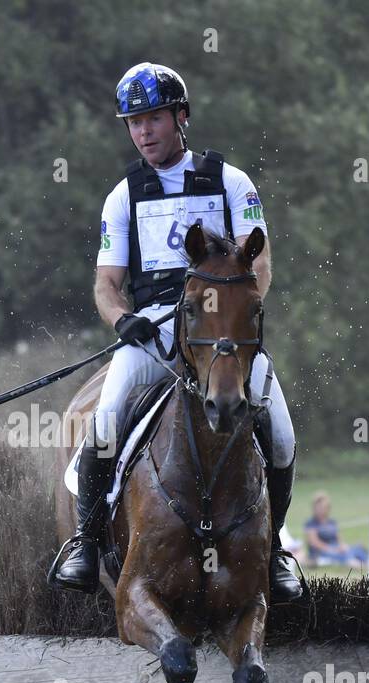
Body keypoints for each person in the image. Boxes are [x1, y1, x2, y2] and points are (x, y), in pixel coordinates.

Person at [51, 62, 302, 602]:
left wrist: (231, 320)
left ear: (180, 117)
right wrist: (125, 321)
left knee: (280, 437)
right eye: (134, 122)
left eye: (154, 118)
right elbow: (107, 285)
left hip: (221, 337)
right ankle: (86, 542)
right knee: (104, 426)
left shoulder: (231, 183)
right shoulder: (122, 196)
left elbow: (259, 266)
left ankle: (275, 547)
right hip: (152, 337)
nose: (143, 132)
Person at [303, 491, 369, 569]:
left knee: (356, 549)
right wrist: (332, 549)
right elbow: (314, 543)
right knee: (341, 554)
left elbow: (339, 539)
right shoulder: (311, 523)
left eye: (323, 507)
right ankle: (356, 563)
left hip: (335, 547)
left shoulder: (332, 522)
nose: (320, 510)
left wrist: (342, 546)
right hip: (321, 552)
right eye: (318, 507)